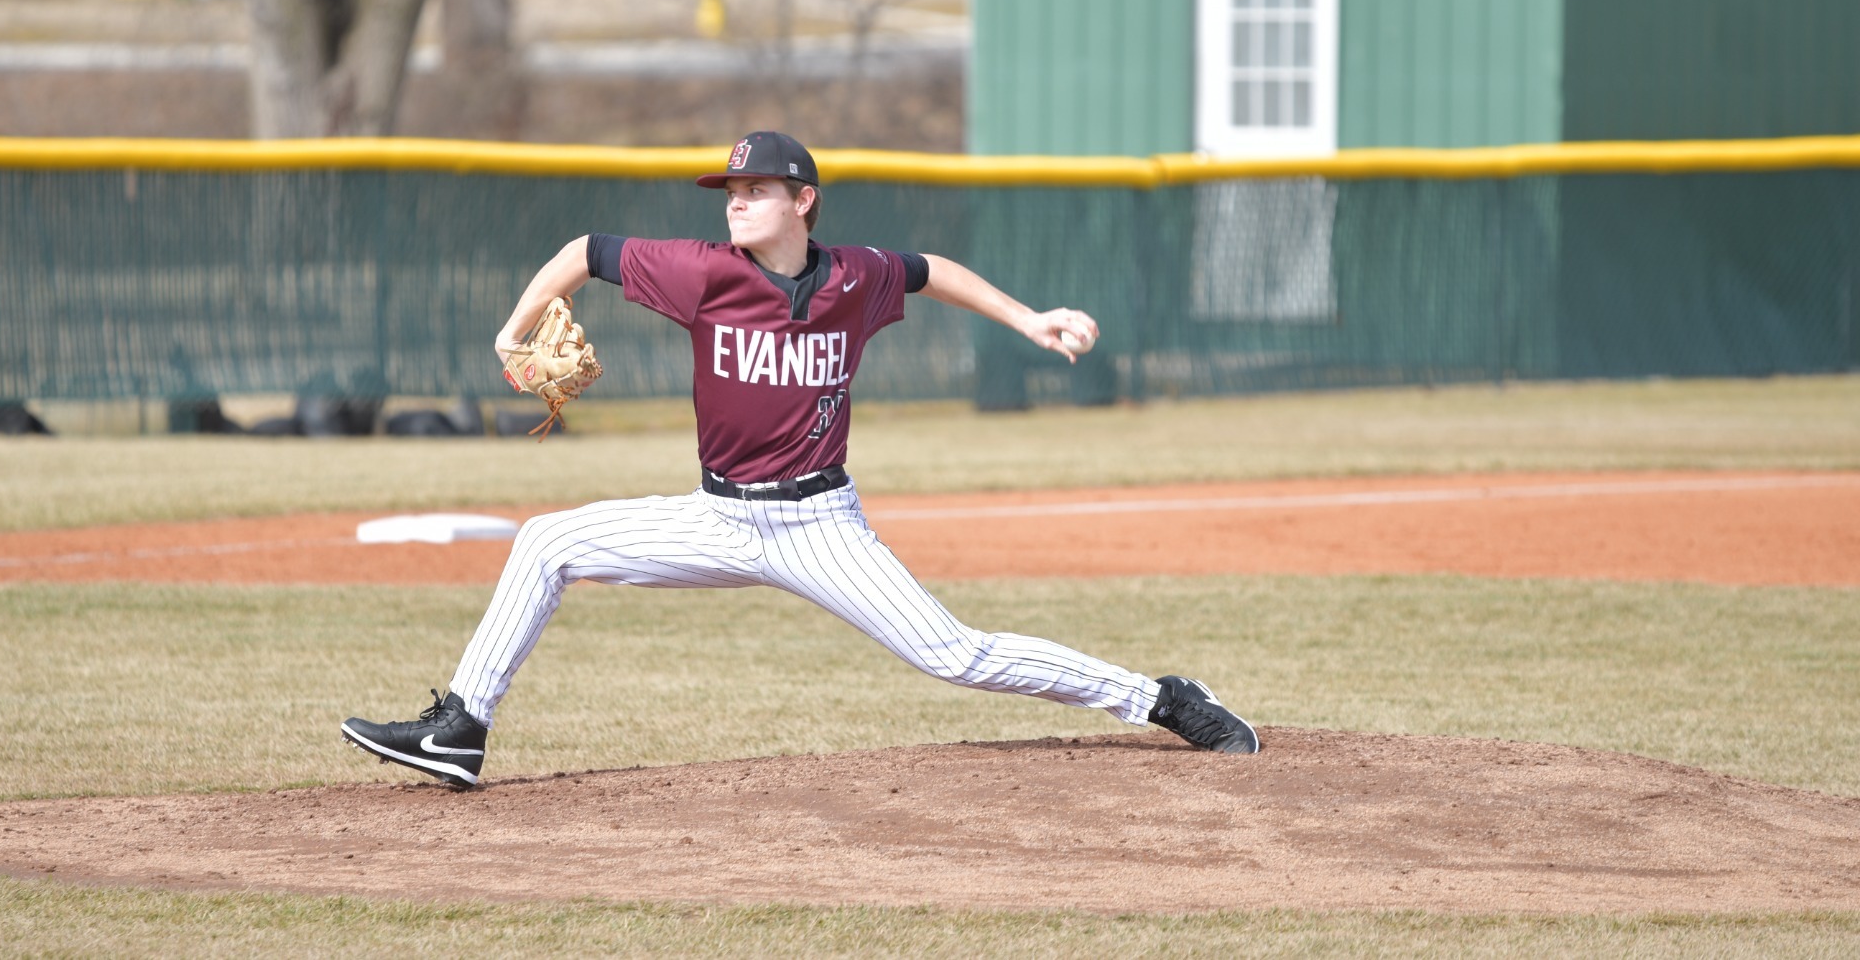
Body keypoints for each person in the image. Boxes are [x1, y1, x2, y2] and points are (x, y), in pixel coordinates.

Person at [342, 131, 1257, 787]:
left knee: (955, 653)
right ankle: (461, 727)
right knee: (546, 542)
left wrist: (1030, 319)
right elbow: (584, 251)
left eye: (754, 191)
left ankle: (1161, 697)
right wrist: (512, 329)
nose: (736, 203)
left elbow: (931, 268)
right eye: (729, 193)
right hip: (717, 515)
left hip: (819, 523)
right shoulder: (703, 270)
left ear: (802, 200)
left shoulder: (854, 275)